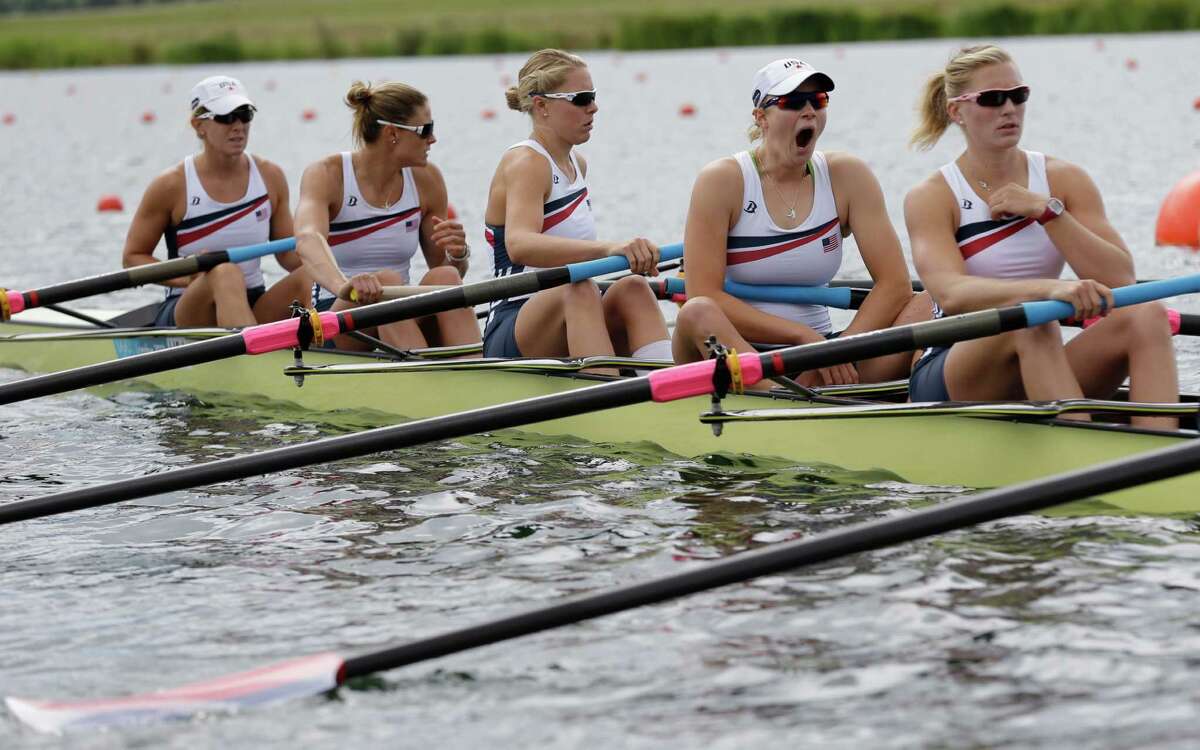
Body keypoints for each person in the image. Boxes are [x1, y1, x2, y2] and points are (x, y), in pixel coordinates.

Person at [904, 44, 1178, 429]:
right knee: (1032, 320)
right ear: (956, 111)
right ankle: (1081, 456)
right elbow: (952, 293)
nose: (1009, 109)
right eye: (992, 99)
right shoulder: (933, 196)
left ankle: (1159, 456)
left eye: (1019, 96)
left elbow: (1120, 280)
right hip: (955, 371)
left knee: (1147, 315)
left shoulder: (1064, 179)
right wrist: (1046, 291)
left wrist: (1048, 212)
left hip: (1038, 349)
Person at [672, 58, 929, 388]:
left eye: (818, 100)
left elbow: (895, 286)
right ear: (761, 118)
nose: (809, 111)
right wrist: (800, 337)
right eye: (792, 103)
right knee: (697, 312)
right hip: (741, 351)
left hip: (826, 355)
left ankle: (810, 395)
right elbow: (703, 292)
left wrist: (836, 349)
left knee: (932, 298)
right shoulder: (723, 181)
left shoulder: (848, 176)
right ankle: (783, 397)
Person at [482, 49, 672, 370]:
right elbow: (520, 245)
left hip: (569, 312)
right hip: (513, 324)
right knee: (580, 287)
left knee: (634, 289)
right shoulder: (526, 162)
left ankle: (671, 392)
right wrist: (609, 248)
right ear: (542, 106)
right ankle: (612, 401)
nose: (594, 107)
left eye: (593, 96)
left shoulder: (577, 164)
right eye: (581, 98)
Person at [294, 80, 480, 351]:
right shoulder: (327, 174)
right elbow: (307, 239)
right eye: (425, 130)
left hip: (396, 307)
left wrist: (459, 254)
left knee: (446, 277)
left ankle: (473, 369)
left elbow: (444, 266)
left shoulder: (427, 179)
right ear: (393, 133)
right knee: (388, 280)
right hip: (338, 316)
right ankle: (424, 377)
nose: (433, 139)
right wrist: (343, 285)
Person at [123, 75, 305, 327]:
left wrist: (334, 256)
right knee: (225, 271)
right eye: (226, 117)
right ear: (199, 125)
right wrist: (186, 276)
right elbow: (133, 257)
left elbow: (289, 255)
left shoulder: (269, 176)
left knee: (309, 275)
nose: (238, 126)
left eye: (245, 114)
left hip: (253, 299)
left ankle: (349, 354)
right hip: (189, 306)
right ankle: (254, 358)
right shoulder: (172, 185)